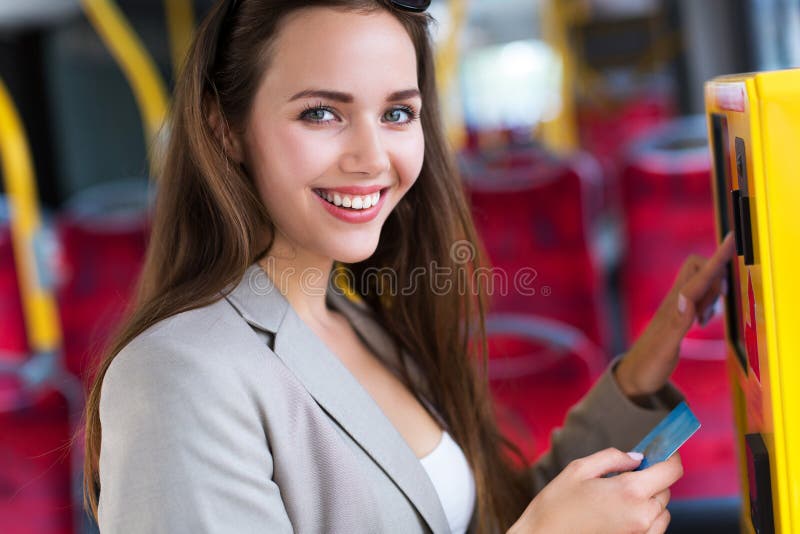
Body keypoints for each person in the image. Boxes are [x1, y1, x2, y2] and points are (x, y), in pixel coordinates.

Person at [81, 0, 736, 532]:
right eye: (322, 113)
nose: (372, 156)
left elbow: (490, 520)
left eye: (397, 112)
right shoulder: (177, 376)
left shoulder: (359, 322)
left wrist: (653, 356)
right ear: (226, 128)